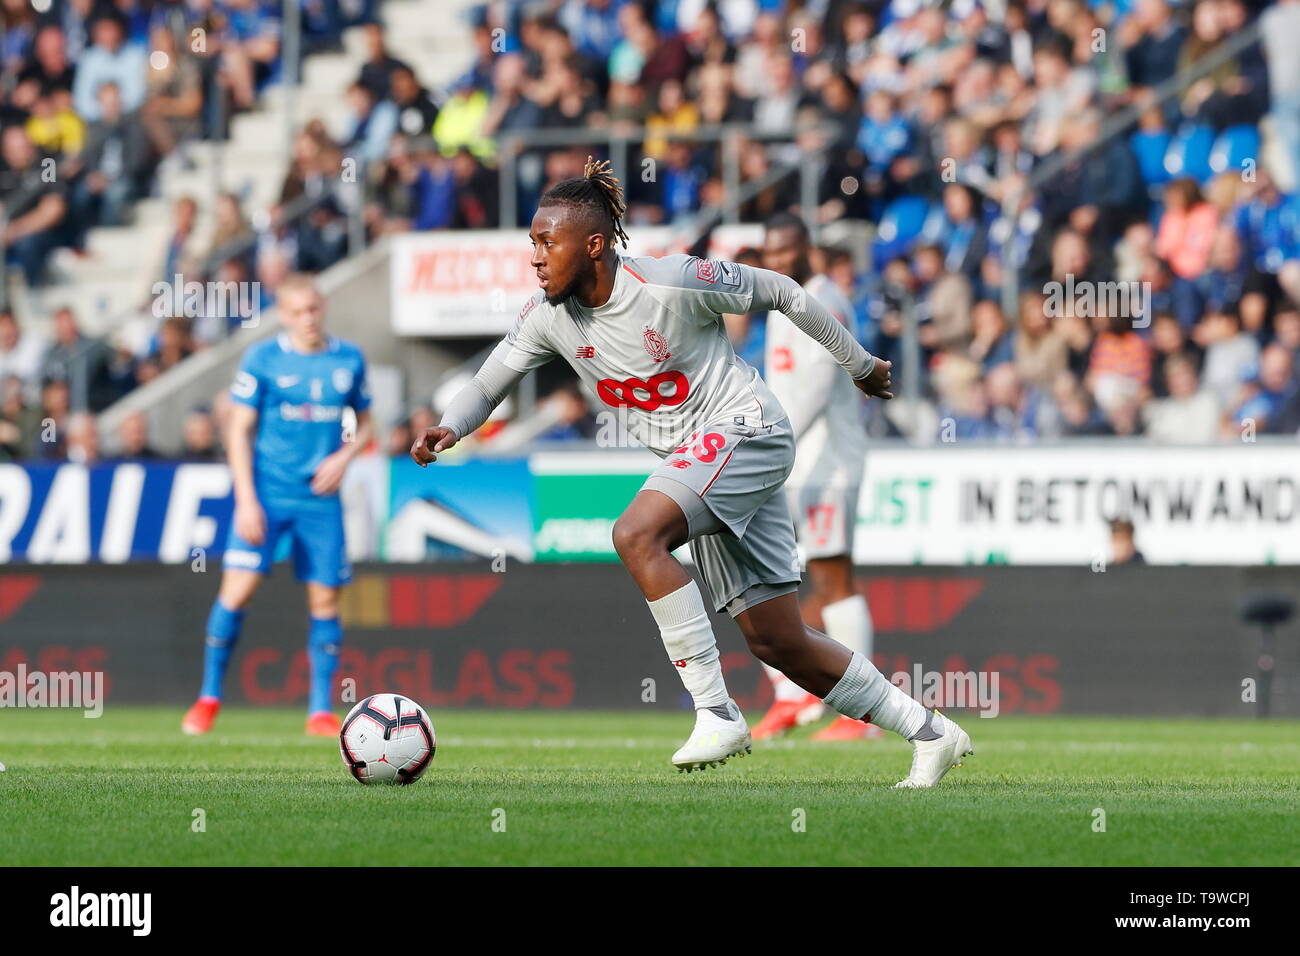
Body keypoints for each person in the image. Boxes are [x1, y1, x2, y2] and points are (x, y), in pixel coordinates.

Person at [411, 159, 973, 787]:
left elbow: (781, 291)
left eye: (547, 243)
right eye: (532, 245)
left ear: (593, 245)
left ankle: (716, 709)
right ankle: (931, 731)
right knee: (778, 642)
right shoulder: (547, 316)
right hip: (698, 466)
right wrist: (452, 426)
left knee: (635, 534)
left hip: (747, 429)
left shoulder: (670, 281)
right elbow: (490, 380)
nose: (535, 259)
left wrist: (860, 363)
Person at [182, 276, 373, 737]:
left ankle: (320, 712)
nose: (308, 319)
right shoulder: (263, 358)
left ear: (322, 307)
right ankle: (208, 698)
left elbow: (367, 423)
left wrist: (344, 455)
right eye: (298, 312)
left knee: (326, 599)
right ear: (284, 315)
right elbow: (237, 431)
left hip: (320, 502)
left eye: (313, 309)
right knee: (238, 592)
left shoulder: (348, 359)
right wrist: (246, 499)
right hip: (267, 497)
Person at [750, 213, 881, 742]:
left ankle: (863, 713)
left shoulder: (823, 299)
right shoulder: (782, 304)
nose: (779, 260)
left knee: (832, 576)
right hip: (795, 458)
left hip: (829, 459)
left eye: (787, 251)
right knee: (759, 573)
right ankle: (792, 693)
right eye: (771, 253)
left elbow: (820, 383)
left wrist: (768, 442)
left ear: (807, 249)